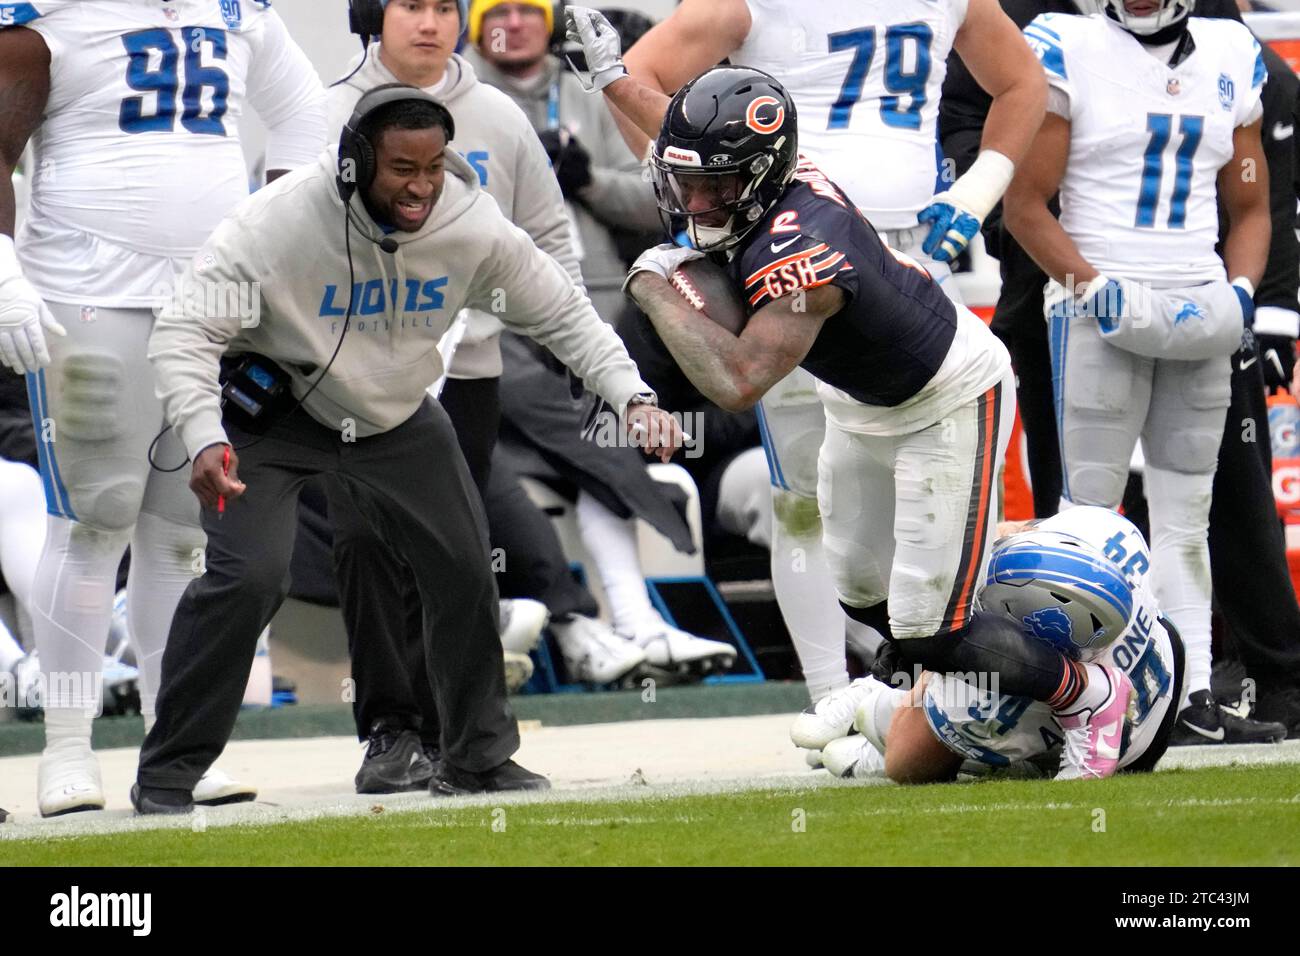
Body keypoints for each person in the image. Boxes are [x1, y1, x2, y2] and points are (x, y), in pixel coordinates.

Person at [581, 51, 1143, 781]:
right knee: (859, 588)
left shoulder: (802, 250)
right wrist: (611, 78)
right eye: (689, 182)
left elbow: (739, 380)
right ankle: (976, 698)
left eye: (710, 186)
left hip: (947, 402)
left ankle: (1090, 694)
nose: (694, 201)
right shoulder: (763, 169)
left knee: (925, 627)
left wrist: (652, 289)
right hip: (859, 401)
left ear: (754, 177)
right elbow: (683, 133)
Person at [132, 86, 682, 813]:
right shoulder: (280, 220)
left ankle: (478, 760)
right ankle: (168, 774)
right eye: (401, 168)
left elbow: (562, 314)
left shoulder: (471, 223)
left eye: (432, 165)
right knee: (251, 576)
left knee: (462, 565)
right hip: (272, 416)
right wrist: (203, 434)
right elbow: (183, 331)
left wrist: (632, 395)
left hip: (394, 418)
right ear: (356, 161)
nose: (421, 184)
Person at [0, 0, 327, 816]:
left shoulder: (238, 9)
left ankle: (172, 745)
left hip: (206, 301)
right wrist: (1, 267)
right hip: (85, 295)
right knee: (92, 523)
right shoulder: (48, 13)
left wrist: (271, 240)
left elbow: (302, 116)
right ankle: (67, 749)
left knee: (182, 533)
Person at [941, 0, 1300, 737]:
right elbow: (1027, 201)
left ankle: (1192, 695)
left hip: (1196, 302)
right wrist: (1089, 285)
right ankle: (1093, 699)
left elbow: (1254, 202)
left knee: (1187, 519)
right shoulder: (1062, 44)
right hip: (1097, 308)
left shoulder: (1232, 51)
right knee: (1088, 520)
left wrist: (1241, 289)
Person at [827, 508, 1185, 782]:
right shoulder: (1105, 533)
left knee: (878, 722)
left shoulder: (991, 697)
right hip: (1161, 684)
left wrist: (929, 658)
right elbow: (1029, 532)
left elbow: (902, 762)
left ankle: (876, 702)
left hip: (1089, 728)